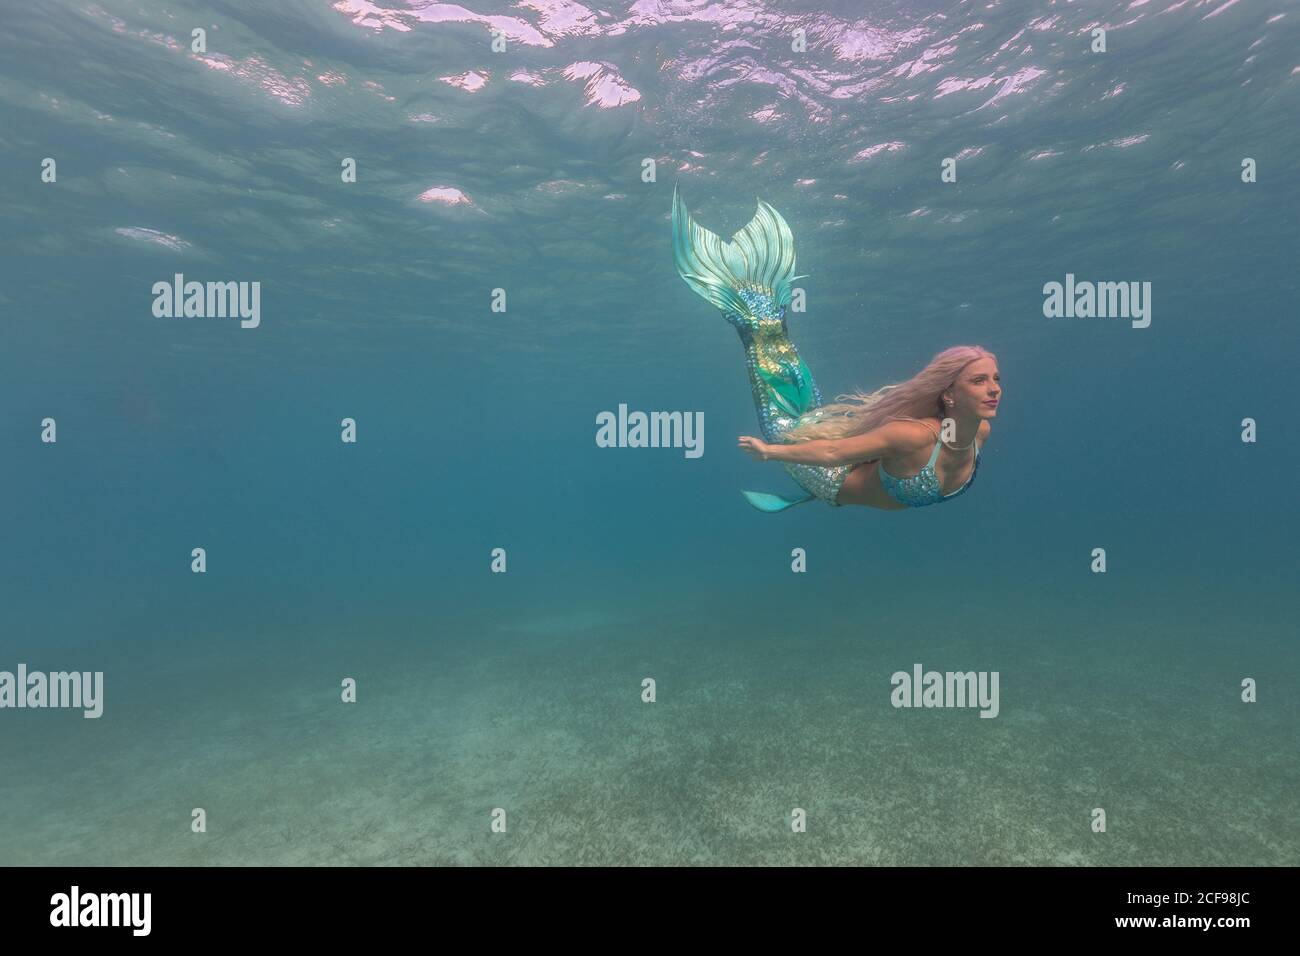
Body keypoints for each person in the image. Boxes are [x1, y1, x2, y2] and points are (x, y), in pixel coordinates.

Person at [672, 186, 1000, 512]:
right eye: (979, 380)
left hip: (853, 459)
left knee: (806, 410)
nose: (994, 389)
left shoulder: (979, 431)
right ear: (949, 394)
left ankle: (762, 305)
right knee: (785, 411)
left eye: (995, 379)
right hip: (827, 476)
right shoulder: (913, 437)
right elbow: (831, 455)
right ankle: (750, 308)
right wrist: (769, 452)